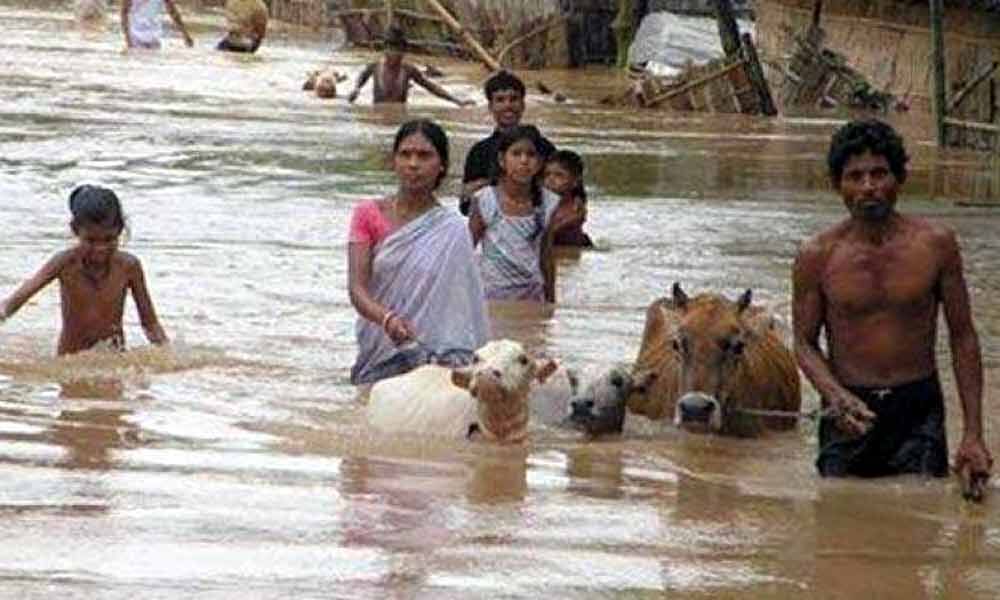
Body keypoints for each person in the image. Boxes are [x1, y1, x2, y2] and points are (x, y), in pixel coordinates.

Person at [792, 119, 991, 481]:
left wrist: (973, 434)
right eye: (855, 176)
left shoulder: (936, 245)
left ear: (899, 179)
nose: (868, 187)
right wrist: (834, 394)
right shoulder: (816, 256)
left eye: (879, 174)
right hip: (847, 409)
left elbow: (963, 337)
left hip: (917, 409)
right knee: (837, 508)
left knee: (922, 509)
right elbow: (804, 343)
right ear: (838, 185)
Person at [348, 119, 489, 386]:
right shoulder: (367, 214)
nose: (413, 164)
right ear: (393, 161)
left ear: (442, 165)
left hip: (436, 359)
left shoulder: (454, 230)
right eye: (405, 154)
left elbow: (464, 306)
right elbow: (357, 290)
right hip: (380, 350)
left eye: (424, 156)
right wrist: (387, 320)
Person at [0, 185, 169, 355]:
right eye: (91, 240)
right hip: (70, 359)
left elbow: (150, 324)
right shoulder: (64, 263)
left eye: (109, 239)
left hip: (114, 359)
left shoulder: (129, 266)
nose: (100, 248)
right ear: (75, 230)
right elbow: (16, 300)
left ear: (120, 230)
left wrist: (168, 355)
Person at [469, 126, 575, 303]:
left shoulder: (548, 203)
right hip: (491, 294)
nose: (524, 161)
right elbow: (467, 249)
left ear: (539, 163)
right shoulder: (485, 200)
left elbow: (546, 256)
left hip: (532, 294)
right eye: (516, 154)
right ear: (502, 160)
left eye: (531, 155)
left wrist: (551, 301)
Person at [460, 71, 555, 216]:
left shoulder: (544, 147)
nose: (508, 105)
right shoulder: (480, 151)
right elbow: (465, 205)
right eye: (500, 100)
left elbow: (560, 192)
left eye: (514, 99)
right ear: (490, 106)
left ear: (523, 104)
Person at [346, 27, 473, 107]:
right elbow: (362, 76)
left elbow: (431, 87)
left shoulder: (408, 70)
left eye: (398, 51)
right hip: (378, 116)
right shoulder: (375, 67)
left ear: (403, 52)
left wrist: (457, 101)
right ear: (385, 50)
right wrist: (356, 89)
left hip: (399, 115)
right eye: (391, 50)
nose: (395, 55)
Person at [543, 149, 594, 248]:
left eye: (559, 175)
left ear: (575, 181)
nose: (550, 179)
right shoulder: (541, 203)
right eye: (547, 174)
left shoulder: (575, 207)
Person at [121, 0, 194, 50]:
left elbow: (173, 13)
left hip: (154, 36)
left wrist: (185, 35)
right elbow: (124, 13)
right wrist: (127, 38)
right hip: (136, 36)